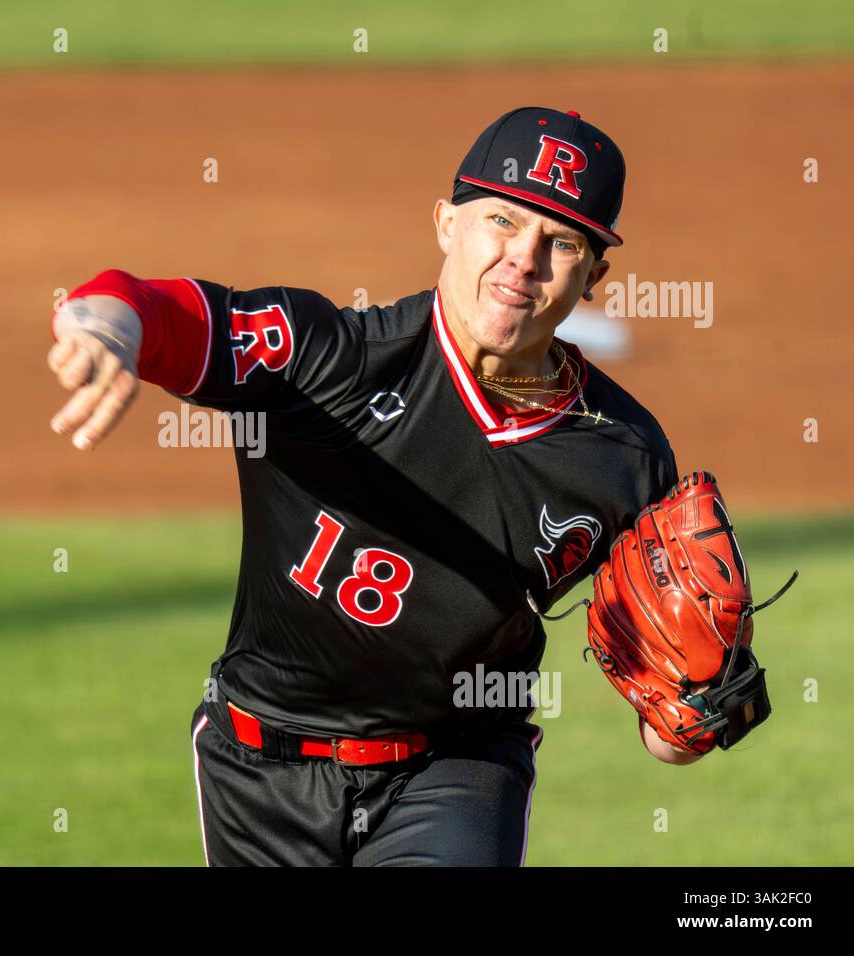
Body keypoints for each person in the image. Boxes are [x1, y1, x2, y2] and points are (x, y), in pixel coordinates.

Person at [45, 107, 699, 867]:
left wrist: (694, 712)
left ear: (594, 277)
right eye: (502, 220)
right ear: (447, 224)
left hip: (453, 770)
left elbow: (667, 719)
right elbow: (158, 308)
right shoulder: (331, 360)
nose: (524, 258)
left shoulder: (624, 454)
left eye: (562, 242)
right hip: (256, 768)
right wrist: (113, 328)